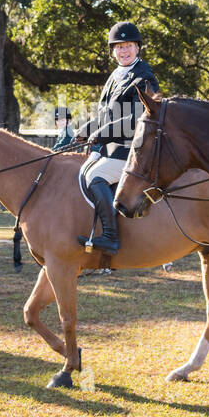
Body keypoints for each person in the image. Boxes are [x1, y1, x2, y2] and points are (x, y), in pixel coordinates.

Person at [74, 22, 160, 254]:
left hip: (133, 150)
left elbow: (134, 120)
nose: (124, 51)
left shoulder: (144, 77)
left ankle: (111, 237)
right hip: (112, 148)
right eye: (119, 47)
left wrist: (99, 135)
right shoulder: (116, 76)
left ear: (137, 48)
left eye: (128, 46)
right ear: (113, 51)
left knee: (94, 175)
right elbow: (106, 115)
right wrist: (84, 129)